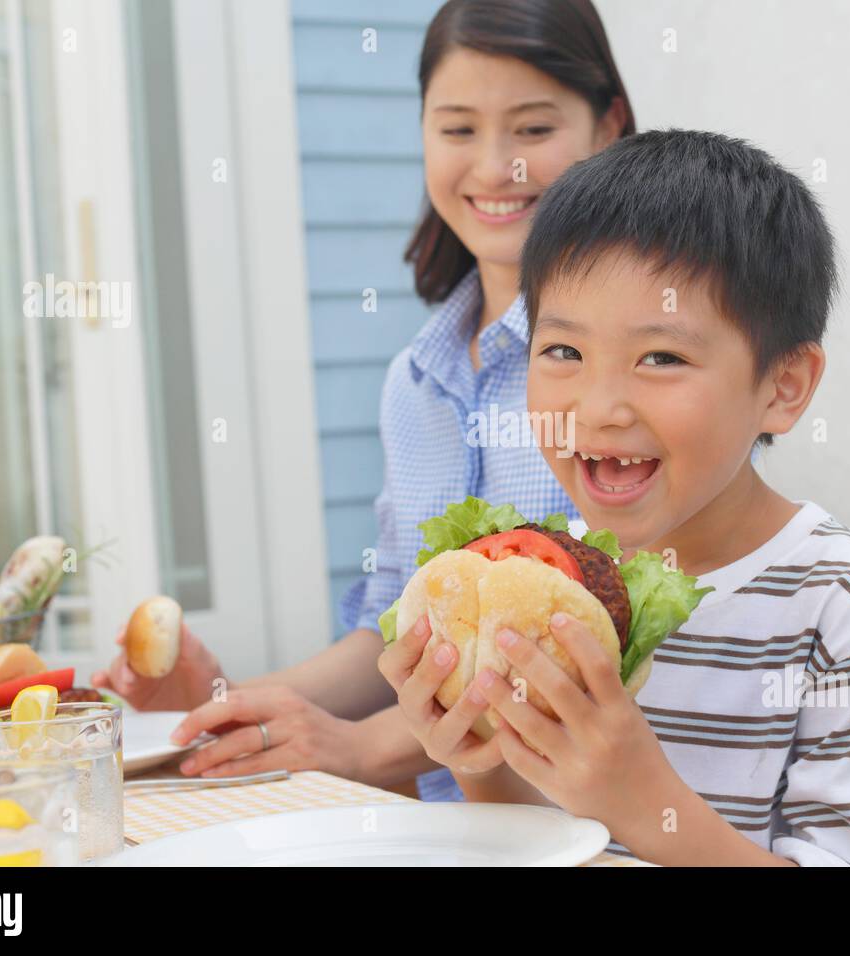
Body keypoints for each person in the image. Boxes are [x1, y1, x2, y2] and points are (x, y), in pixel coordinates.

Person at [91, 0, 635, 797]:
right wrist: (227, 706)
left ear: (608, 125)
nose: (493, 168)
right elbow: (398, 633)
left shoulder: (626, 367)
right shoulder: (413, 380)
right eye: (456, 130)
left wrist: (360, 750)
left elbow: (609, 643)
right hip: (446, 833)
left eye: (531, 129)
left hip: (581, 826)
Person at [378, 130, 850, 863]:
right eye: (563, 352)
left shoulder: (847, 605)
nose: (599, 408)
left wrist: (644, 800)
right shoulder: (564, 579)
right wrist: (475, 752)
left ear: (783, 386)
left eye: (661, 357)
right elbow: (554, 840)